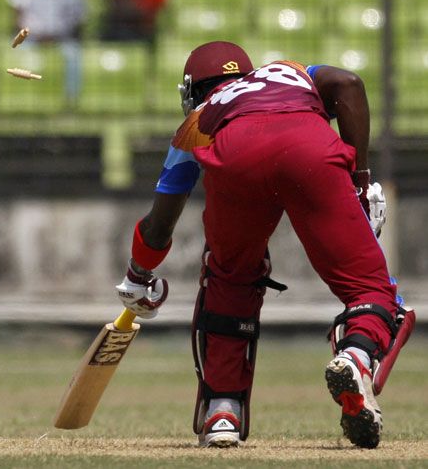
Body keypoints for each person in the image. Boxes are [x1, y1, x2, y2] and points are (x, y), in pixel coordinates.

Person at [114, 41, 414, 449]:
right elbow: (349, 83)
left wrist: (138, 275)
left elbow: (158, 225)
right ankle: (357, 354)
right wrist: (361, 182)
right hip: (309, 144)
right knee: (371, 289)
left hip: (235, 154)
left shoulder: (200, 119)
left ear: (191, 89)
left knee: (230, 277)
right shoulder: (290, 70)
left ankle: (223, 411)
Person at [9, 0, 87, 105]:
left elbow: (78, 22)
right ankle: (23, 101)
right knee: (17, 52)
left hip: (62, 39)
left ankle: (70, 101)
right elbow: (17, 16)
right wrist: (34, 35)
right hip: (30, 38)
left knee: (74, 54)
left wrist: (57, 37)